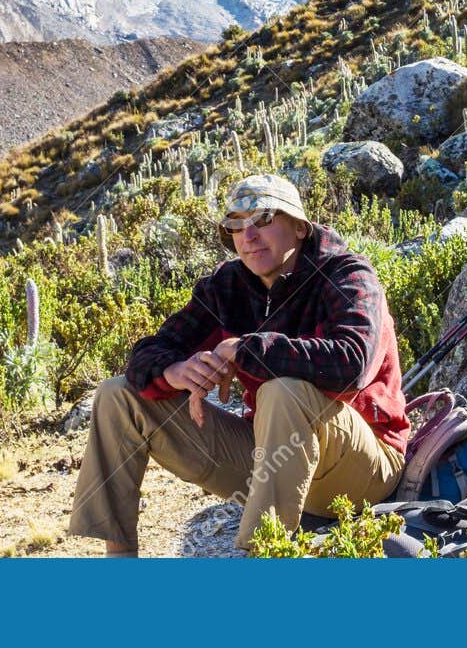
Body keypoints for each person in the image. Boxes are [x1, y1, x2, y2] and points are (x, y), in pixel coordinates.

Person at [67, 173, 409, 555]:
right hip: (275, 462)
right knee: (118, 394)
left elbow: (352, 364)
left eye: (263, 220)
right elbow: (150, 351)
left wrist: (246, 350)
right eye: (235, 225)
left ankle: (262, 556)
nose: (248, 236)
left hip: (363, 469)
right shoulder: (229, 287)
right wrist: (174, 371)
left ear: (299, 227)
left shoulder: (347, 275)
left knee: (284, 392)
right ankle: (119, 560)